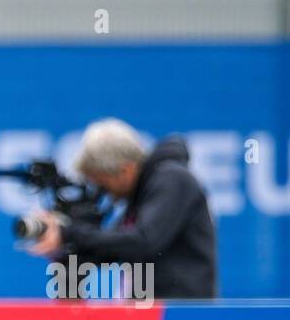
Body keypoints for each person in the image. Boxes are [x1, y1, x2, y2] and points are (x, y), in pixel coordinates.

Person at [30, 118, 217, 299]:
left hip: (182, 317)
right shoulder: (141, 196)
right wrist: (63, 248)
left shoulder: (172, 180)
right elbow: (109, 251)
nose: (103, 192)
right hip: (151, 315)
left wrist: (70, 233)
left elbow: (143, 240)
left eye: (103, 182)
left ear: (125, 170)